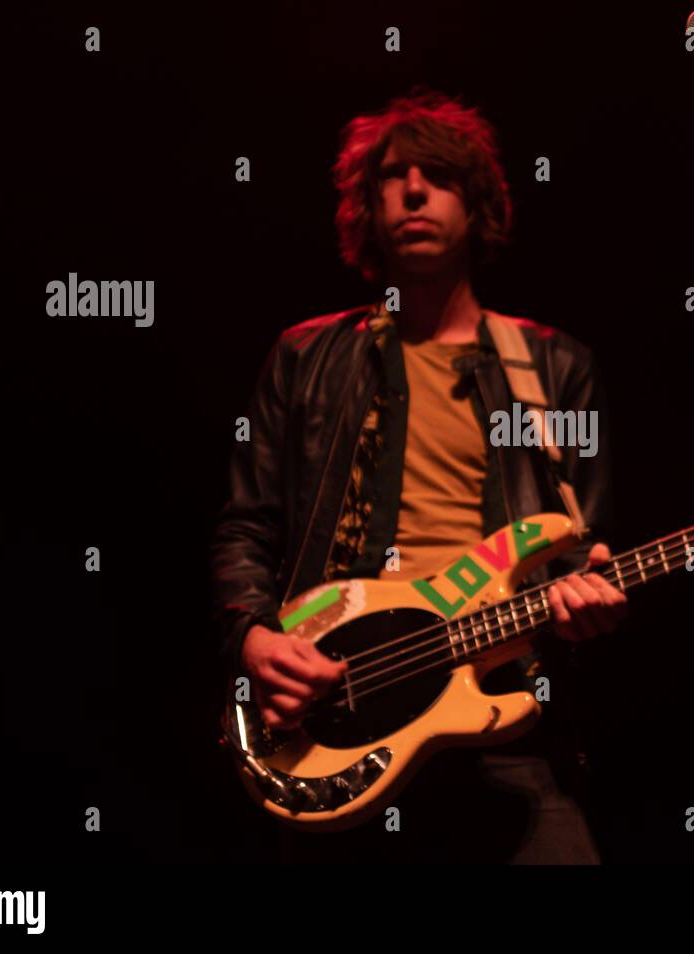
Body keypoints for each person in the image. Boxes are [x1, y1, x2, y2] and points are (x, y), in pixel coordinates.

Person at [210, 88, 626, 863]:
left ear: (478, 203)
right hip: (338, 713)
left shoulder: (554, 365)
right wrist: (255, 638)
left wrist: (583, 597)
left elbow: (580, 547)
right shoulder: (305, 358)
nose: (411, 191)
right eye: (389, 179)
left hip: (501, 713)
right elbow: (247, 525)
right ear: (365, 210)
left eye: (435, 175)